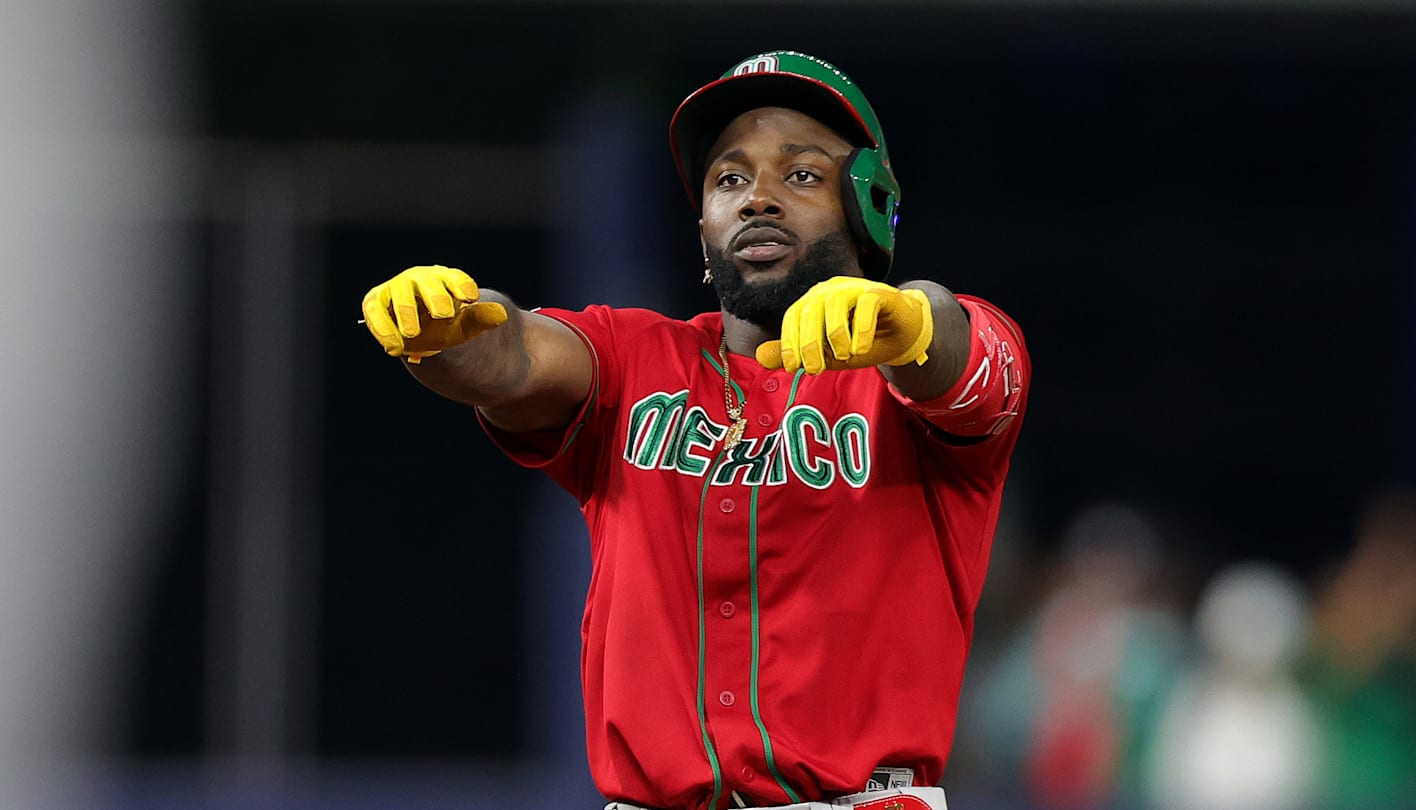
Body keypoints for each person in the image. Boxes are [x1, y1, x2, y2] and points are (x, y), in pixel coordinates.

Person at [360, 50, 1030, 810]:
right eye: (729, 180)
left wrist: (909, 320)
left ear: (868, 203)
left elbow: (962, 352)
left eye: (801, 174)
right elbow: (512, 356)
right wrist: (447, 333)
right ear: (704, 224)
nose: (758, 199)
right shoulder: (632, 358)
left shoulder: (912, 377)